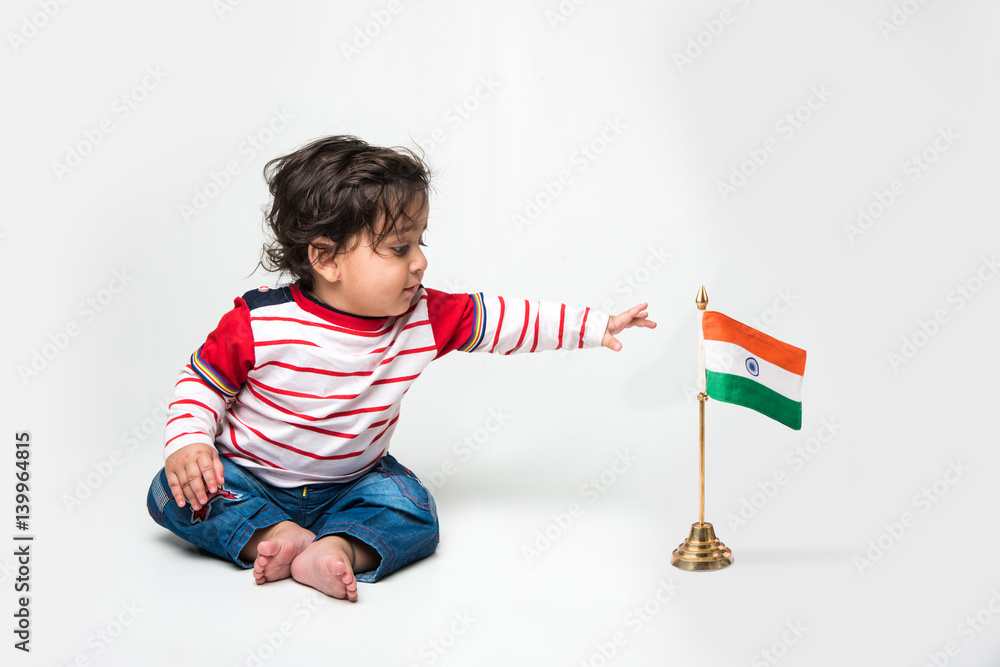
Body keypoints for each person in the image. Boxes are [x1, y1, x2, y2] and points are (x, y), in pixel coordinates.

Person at [146, 135, 655, 602]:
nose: (420, 263)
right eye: (398, 248)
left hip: (353, 481)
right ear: (326, 259)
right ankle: (272, 534)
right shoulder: (261, 321)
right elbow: (201, 381)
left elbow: (501, 319)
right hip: (250, 476)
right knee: (171, 492)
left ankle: (337, 549)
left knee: (414, 510)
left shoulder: (423, 317)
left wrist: (594, 325)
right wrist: (188, 442)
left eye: (420, 243)